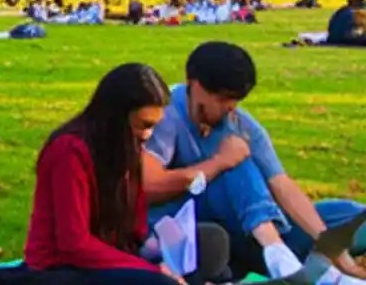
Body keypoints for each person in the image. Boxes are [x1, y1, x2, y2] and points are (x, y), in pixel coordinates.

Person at [143, 42, 366, 283]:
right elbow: (148, 186)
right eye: (222, 98)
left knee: (350, 217)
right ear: (194, 84)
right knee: (237, 163)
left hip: (248, 227)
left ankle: (307, 262)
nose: (230, 108)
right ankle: (282, 259)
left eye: (236, 100)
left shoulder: (241, 125)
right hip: (186, 231)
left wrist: (334, 247)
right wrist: (219, 163)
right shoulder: (166, 114)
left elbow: (281, 184)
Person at [26, 63, 229, 285]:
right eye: (143, 125)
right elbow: (74, 244)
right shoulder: (69, 151)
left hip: (116, 256)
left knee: (209, 244)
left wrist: (158, 247)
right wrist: (148, 269)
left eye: (153, 127)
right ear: (117, 117)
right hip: (61, 268)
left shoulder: (128, 149)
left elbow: (134, 228)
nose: (147, 135)